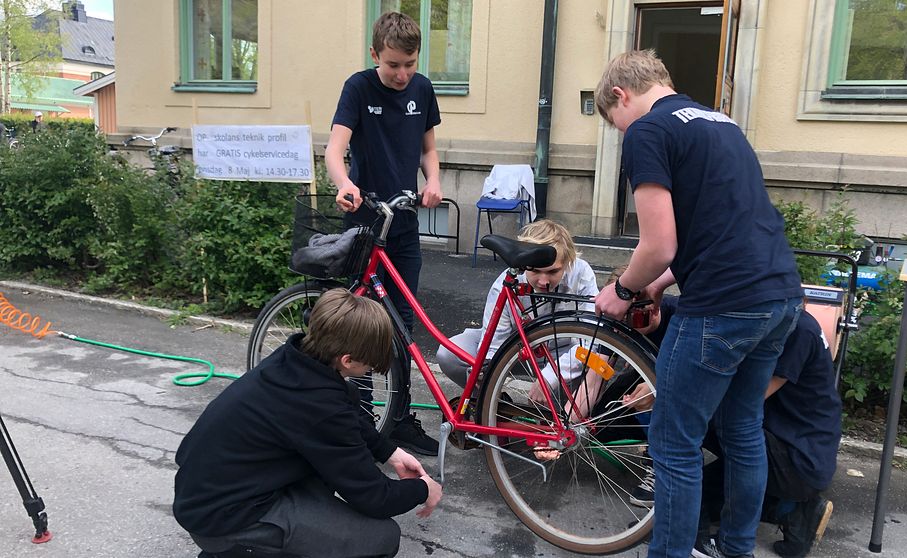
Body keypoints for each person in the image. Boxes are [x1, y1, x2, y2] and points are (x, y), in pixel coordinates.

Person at [593, 49, 804, 558]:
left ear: (620, 96)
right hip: (779, 296)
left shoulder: (648, 130)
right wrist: (661, 283)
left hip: (724, 305)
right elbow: (714, 227)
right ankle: (735, 550)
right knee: (742, 430)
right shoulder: (721, 122)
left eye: (614, 123)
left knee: (673, 445)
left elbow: (658, 242)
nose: (622, 133)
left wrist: (621, 290)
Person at [173, 289, 442, 558]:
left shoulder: (296, 358)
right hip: (223, 519)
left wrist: (390, 452)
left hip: (208, 491)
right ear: (347, 360)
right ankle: (236, 550)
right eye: (370, 366)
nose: (371, 370)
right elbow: (375, 498)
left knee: (326, 476)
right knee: (381, 538)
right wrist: (423, 488)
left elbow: (347, 414)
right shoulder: (319, 406)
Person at [325, 11, 443, 456]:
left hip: (404, 221)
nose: (402, 74)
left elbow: (428, 149)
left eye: (409, 63)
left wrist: (432, 180)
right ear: (375, 54)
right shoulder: (358, 87)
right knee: (362, 327)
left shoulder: (423, 88)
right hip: (364, 219)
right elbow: (335, 148)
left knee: (402, 326)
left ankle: (399, 418)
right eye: (393, 64)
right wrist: (344, 184)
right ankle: (360, 418)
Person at [694, 308, 840, 558]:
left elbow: (750, 400)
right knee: (705, 489)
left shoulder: (797, 332)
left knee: (697, 424)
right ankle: (793, 512)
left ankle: (698, 537)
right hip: (802, 450)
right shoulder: (799, 322)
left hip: (796, 459)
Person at [436, 219, 599, 401]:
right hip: (516, 350)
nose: (543, 281)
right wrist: (487, 382)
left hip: (563, 353)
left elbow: (592, 340)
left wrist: (551, 377)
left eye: (553, 272)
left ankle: (553, 412)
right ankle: (494, 407)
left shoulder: (581, 273)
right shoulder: (505, 283)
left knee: (593, 367)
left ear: (568, 261)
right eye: (535, 271)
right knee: (449, 353)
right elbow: (494, 344)